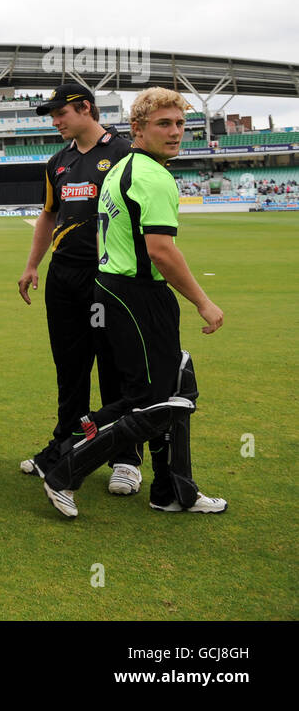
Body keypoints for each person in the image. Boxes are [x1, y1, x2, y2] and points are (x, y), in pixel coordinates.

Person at [43, 88, 226, 519]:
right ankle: (65, 469)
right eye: (164, 124)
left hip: (114, 290)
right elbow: (160, 250)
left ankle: (171, 489)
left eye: (180, 124)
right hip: (137, 295)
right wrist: (203, 302)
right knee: (150, 401)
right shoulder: (151, 175)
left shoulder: (123, 166)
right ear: (138, 129)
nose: (176, 132)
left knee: (174, 389)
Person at [17, 85, 141, 492]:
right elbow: (48, 216)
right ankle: (64, 445)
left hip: (109, 277)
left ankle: (125, 458)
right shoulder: (58, 162)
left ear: (85, 108)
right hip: (64, 278)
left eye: (60, 113)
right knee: (70, 368)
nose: (55, 121)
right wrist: (33, 265)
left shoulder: (126, 154)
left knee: (115, 366)